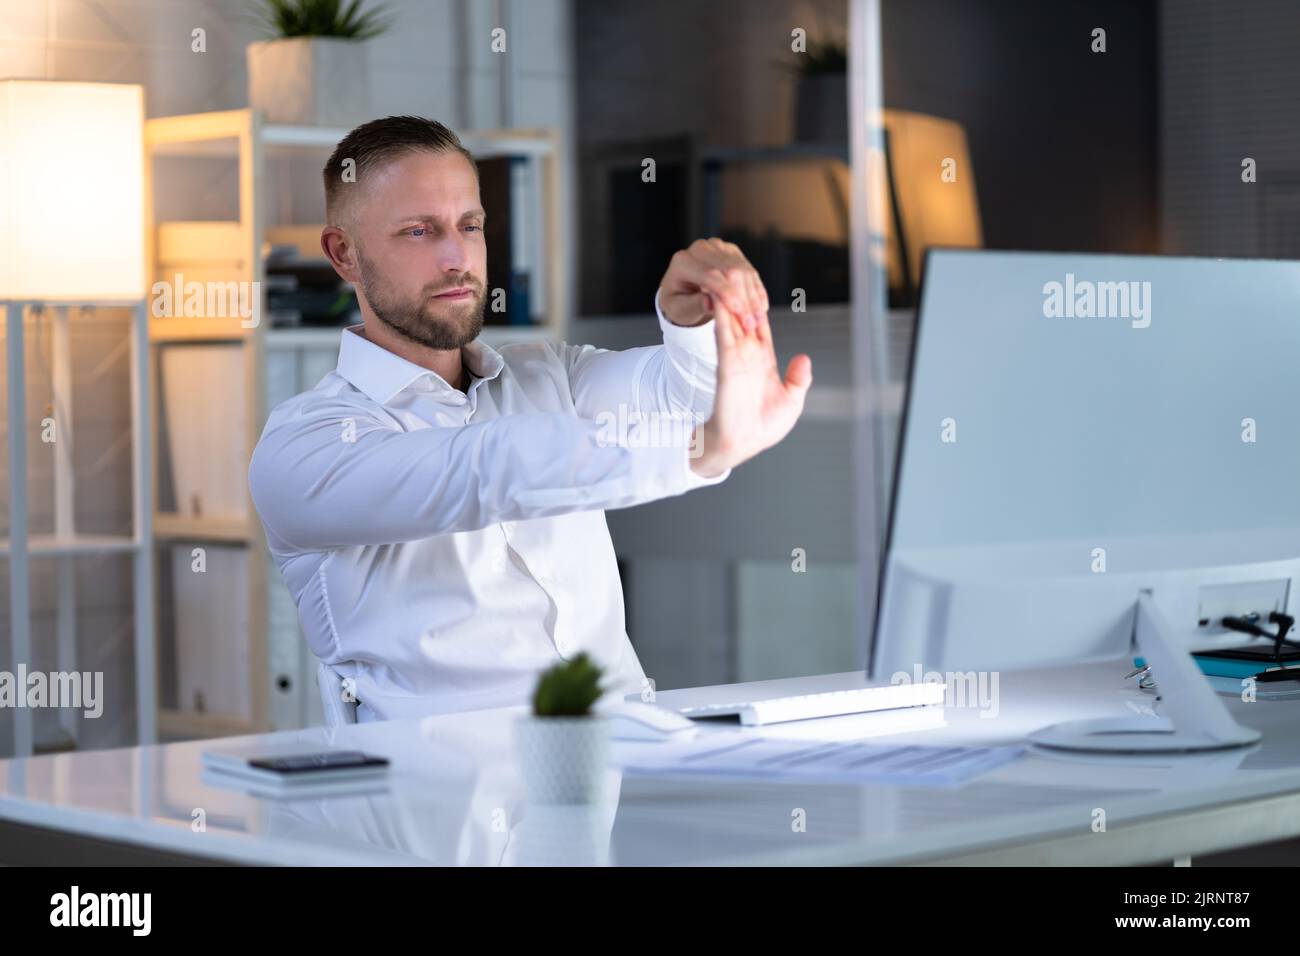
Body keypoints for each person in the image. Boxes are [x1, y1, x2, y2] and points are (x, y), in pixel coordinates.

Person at [248, 115, 812, 722]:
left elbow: (680, 400)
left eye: (470, 226)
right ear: (344, 254)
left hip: (613, 776)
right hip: (430, 802)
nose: (456, 258)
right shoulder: (305, 447)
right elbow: (481, 469)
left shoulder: (550, 374)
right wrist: (701, 450)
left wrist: (694, 323)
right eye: (418, 231)